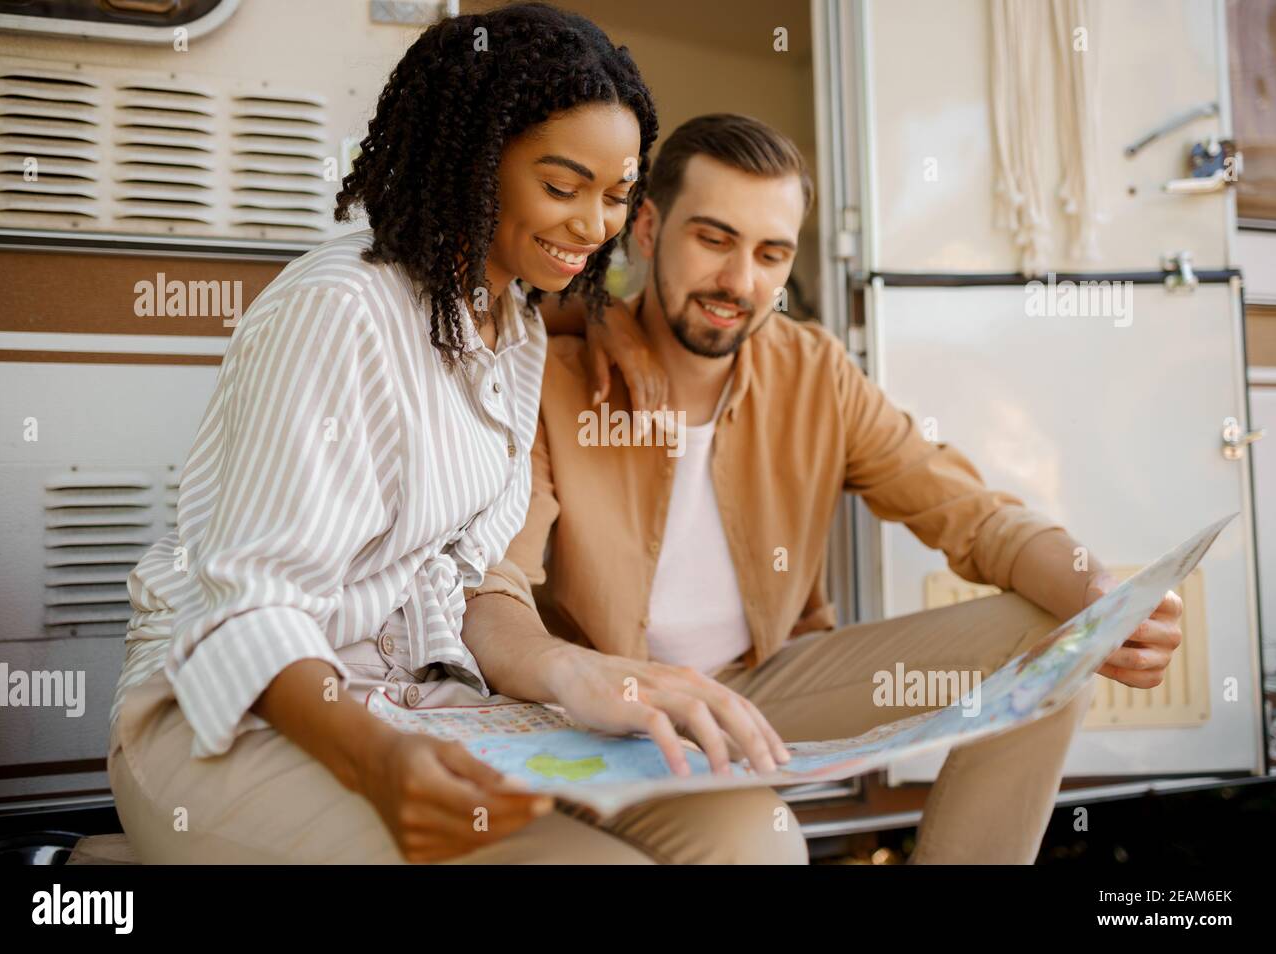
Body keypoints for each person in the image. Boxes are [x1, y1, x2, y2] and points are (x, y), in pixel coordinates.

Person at [107, 6, 805, 865]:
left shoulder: (516, 328)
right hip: (245, 719)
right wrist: (377, 762)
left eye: (618, 197)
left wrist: (573, 672)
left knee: (752, 834)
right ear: (479, 161)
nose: (593, 226)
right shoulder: (341, 308)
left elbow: (465, 583)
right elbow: (251, 610)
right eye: (562, 187)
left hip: (412, 699)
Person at [460, 113, 1186, 864]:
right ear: (646, 227)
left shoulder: (814, 371)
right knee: (767, 847)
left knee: (1057, 635)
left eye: (771, 253)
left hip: (762, 686)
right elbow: (497, 583)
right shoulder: (556, 376)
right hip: (608, 711)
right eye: (713, 239)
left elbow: (969, 515)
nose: (740, 283)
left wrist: (1099, 595)